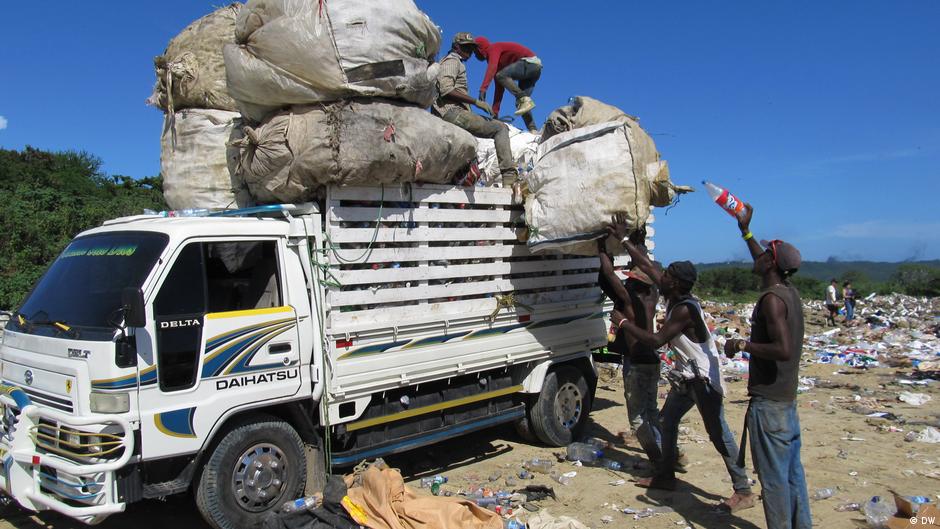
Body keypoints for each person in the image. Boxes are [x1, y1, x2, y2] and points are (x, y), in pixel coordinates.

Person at [607, 214, 755, 512]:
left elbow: (655, 341)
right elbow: (648, 266)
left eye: (669, 274)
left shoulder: (684, 310)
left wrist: (623, 323)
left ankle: (743, 490)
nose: (663, 275)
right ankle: (665, 475)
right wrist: (625, 240)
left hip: (704, 381)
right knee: (667, 421)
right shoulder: (674, 293)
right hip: (686, 378)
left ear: (676, 283)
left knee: (718, 433)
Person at [723, 204, 812, 529]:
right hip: (786, 403)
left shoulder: (771, 300)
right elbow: (762, 255)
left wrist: (742, 345)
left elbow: (783, 349)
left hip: (770, 406)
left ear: (770, 263)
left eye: (764, 252)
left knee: (773, 481)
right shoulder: (788, 292)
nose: (756, 254)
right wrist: (744, 229)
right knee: (792, 475)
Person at [596, 232, 663, 471]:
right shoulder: (652, 296)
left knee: (638, 418)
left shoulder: (628, 299)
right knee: (652, 410)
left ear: (636, 282)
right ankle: (667, 452)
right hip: (653, 361)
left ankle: (658, 461)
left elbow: (608, 273)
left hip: (636, 363)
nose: (629, 281)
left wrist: (601, 245)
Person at [432, 33, 517, 187]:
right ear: (456, 46)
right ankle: (509, 177)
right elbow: (446, 89)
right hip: (452, 113)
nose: (470, 52)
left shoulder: (455, 62)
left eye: (472, 48)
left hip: (451, 113)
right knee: (500, 128)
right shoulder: (452, 61)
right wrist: (476, 102)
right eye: (466, 47)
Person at [472, 36, 542, 133]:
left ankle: (523, 98)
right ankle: (533, 130)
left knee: (502, 78)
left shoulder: (493, 48)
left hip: (529, 63)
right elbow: (499, 88)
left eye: (474, 51)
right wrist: (495, 113)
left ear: (480, 48)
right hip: (535, 69)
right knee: (522, 103)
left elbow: (492, 68)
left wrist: (483, 89)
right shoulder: (498, 62)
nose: (474, 55)